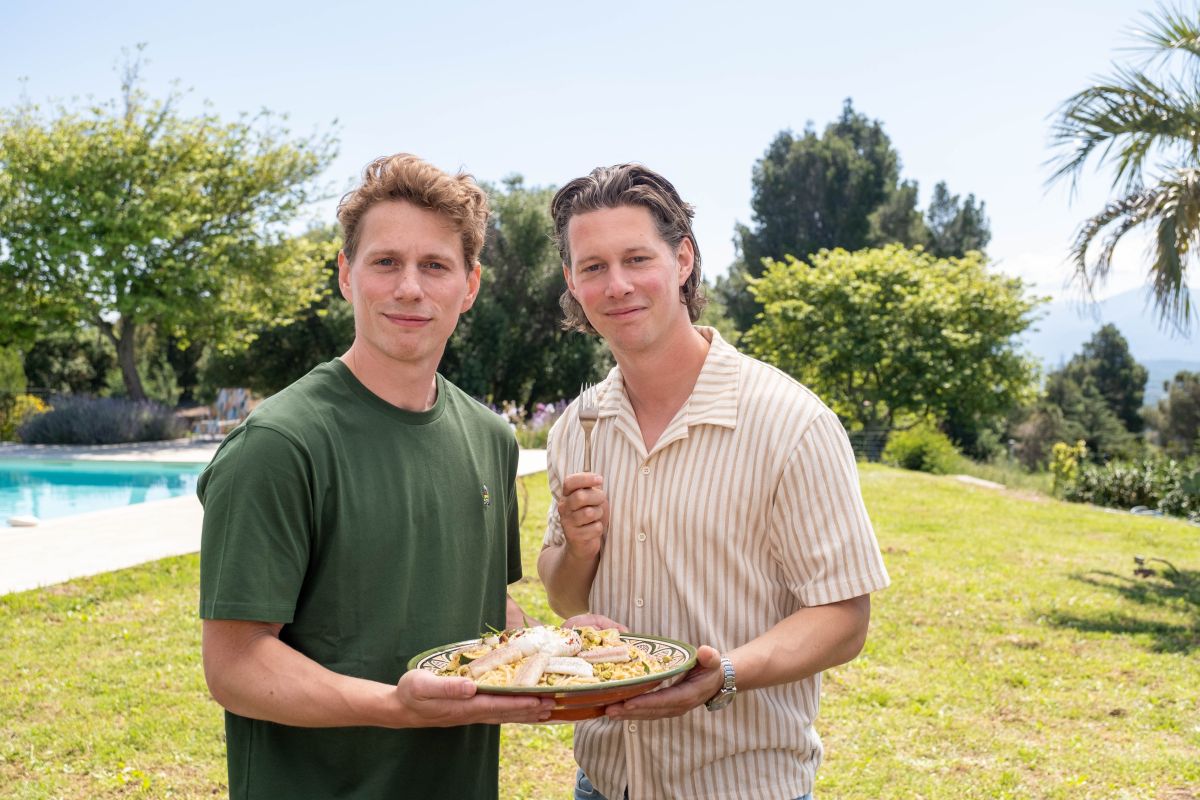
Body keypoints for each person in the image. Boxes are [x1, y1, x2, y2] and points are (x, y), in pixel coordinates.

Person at [198, 153, 553, 800]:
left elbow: (483, 607)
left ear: (469, 286)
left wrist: (566, 650)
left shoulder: (491, 438)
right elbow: (235, 666)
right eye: (386, 262)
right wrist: (397, 705)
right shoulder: (279, 444)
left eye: (435, 266)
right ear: (346, 275)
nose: (410, 288)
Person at [538, 163, 891, 800]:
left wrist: (723, 673)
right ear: (572, 282)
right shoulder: (577, 427)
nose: (617, 285)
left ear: (683, 260)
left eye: (637, 258)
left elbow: (844, 617)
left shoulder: (791, 423)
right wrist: (576, 547)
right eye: (593, 267)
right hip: (603, 785)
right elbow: (566, 598)